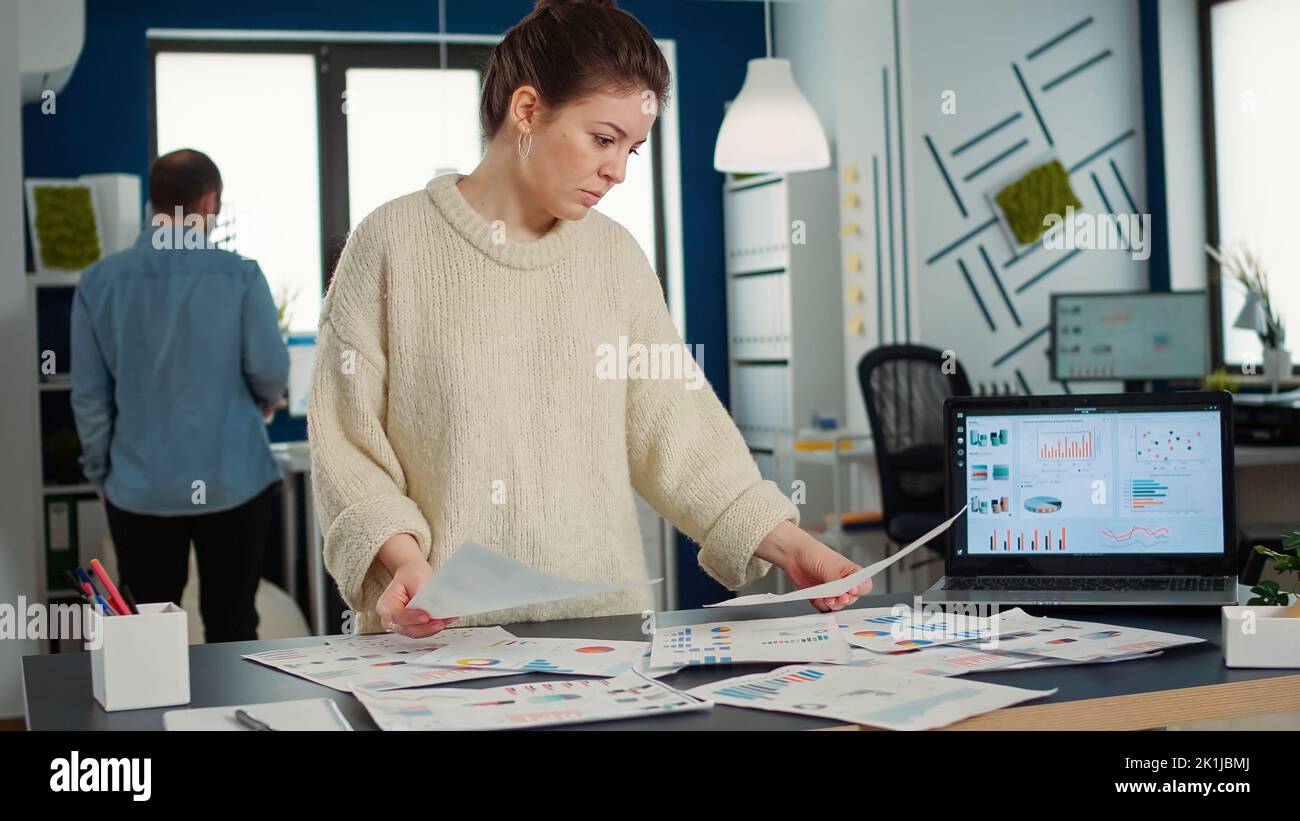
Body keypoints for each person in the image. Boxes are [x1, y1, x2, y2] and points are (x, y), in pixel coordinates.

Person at [309, 0, 869, 639]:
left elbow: (677, 429)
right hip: (438, 642)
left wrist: (794, 545)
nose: (619, 170)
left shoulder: (615, 258)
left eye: (633, 147)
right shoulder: (391, 243)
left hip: (604, 641)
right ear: (526, 111)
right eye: (604, 138)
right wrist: (402, 558)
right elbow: (347, 443)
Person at [71, 148, 289, 642]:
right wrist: (266, 397)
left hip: (140, 489)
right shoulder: (240, 274)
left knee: (148, 634)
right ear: (209, 201)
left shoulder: (99, 282)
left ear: (155, 203)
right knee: (233, 621)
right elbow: (271, 372)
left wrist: (99, 471)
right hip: (234, 481)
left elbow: (89, 396)